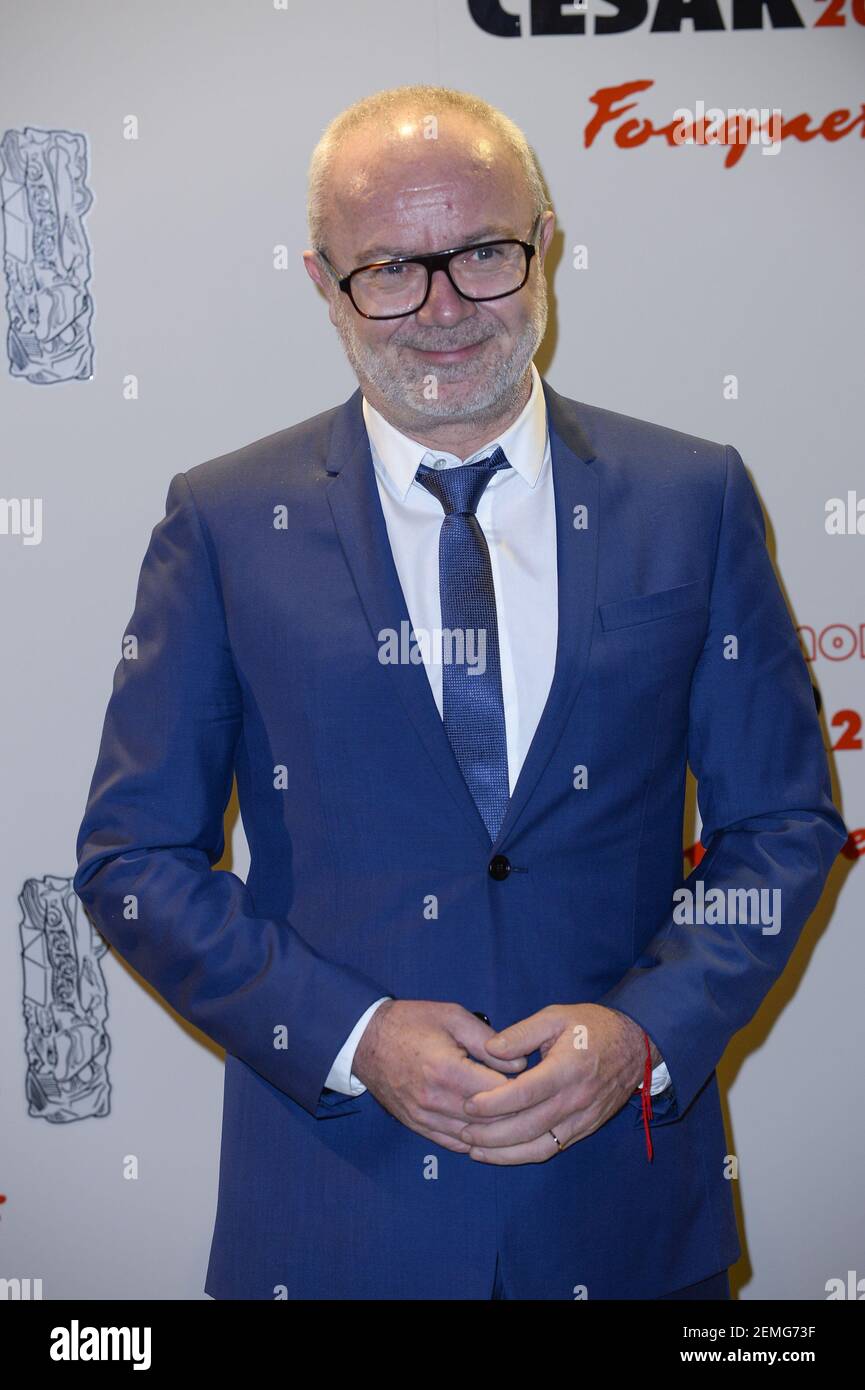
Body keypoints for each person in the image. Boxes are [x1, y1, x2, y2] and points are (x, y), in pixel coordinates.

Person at [73, 85, 847, 1301]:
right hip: (332, 1231)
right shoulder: (226, 522)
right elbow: (134, 860)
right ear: (324, 283)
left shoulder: (691, 497)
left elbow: (784, 824)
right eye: (388, 268)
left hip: (629, 1221)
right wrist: (355, 1037)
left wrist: (646, 1029)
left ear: (543, 241)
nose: (440, 310)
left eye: (481, 254)